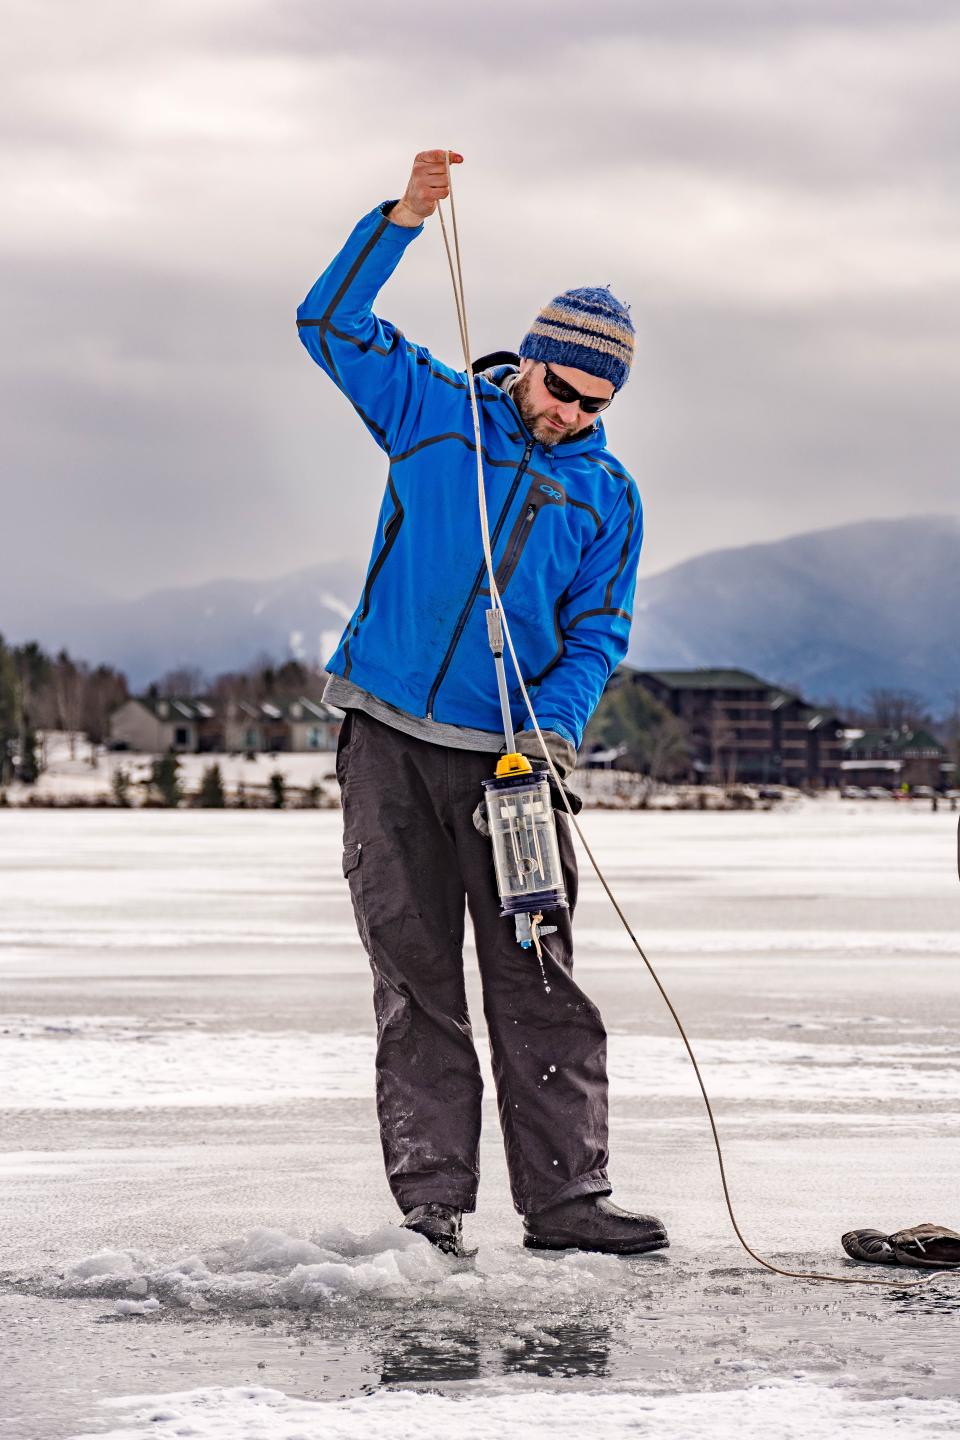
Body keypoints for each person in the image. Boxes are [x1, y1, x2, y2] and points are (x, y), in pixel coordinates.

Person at [296, 150, 667, 1260]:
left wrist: (550, 731)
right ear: (532, 366)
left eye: (595, 404)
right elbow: (326, 321)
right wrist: (400, 221)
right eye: (562, 390)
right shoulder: (430, 410)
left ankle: (566, 1203)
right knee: (417, 982)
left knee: (539, 976)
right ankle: (433, 1208)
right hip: (388, 745)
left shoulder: (606, 493)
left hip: (511, 768)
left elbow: (600, 630)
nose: (568, 416)